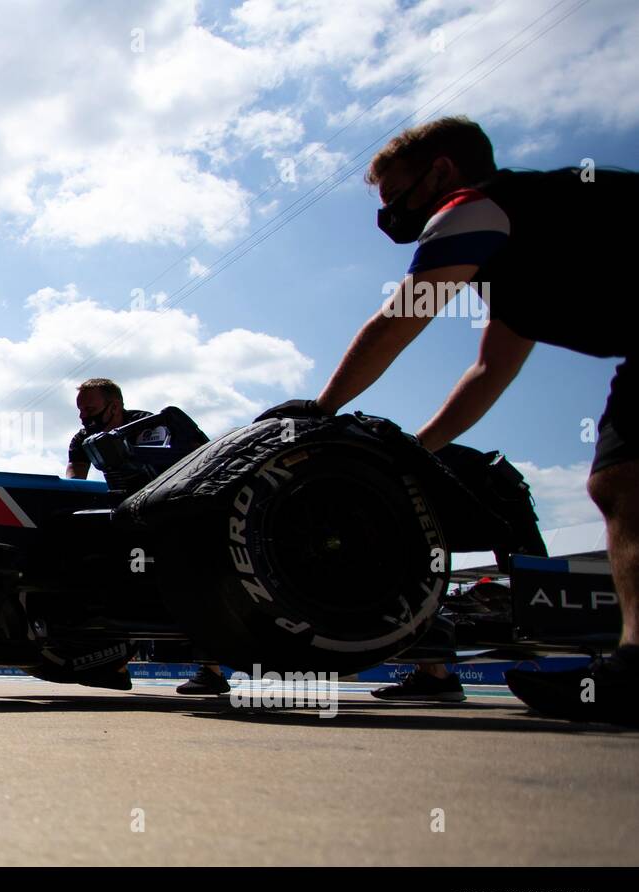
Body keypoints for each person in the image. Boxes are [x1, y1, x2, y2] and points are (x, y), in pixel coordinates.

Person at [256, 116, 637, 724]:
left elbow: (406, 314)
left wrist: (321, 409)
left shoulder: (475, 205)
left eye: (395, 196)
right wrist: (417, 449)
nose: (390, 215)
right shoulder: (521, 245)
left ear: (441, 171)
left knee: (623, 482)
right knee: (621, 481)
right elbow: (488, 370)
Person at [65, 377, 231, 696]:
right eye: (80, 409)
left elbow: (186, 464)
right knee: (113, 580)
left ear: (114, 406)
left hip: (166, 513)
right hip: (120, 515)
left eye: (90, 407)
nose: (83, 415)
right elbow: (76, 477)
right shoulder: (82, 437)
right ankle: (115, 666)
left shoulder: (149, 425)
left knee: (183, 583)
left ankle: (211, 670)